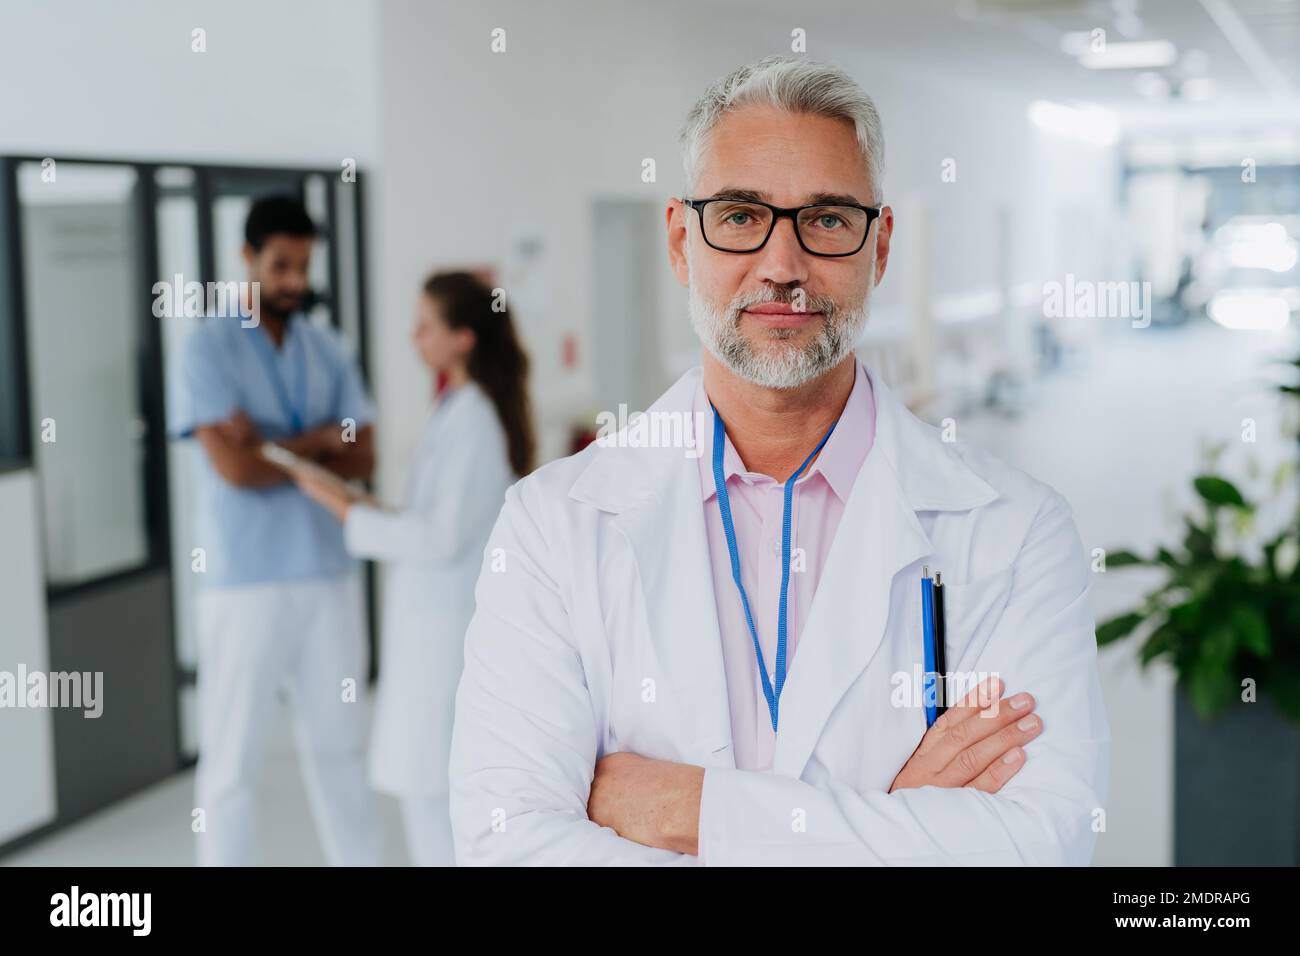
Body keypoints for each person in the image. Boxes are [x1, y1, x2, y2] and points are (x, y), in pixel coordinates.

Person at [448, 56, 1110, 865]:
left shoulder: (1015, 530)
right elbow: (505, 844)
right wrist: (896, 824)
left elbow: (1043, 843)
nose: (782, 266)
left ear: (882, 245)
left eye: (828, 219)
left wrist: (694, 812)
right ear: (680, 241)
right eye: (739, 216)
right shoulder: (553, 527)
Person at [293, 271, 533, 866]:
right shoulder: (457, 408)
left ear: (463, 338)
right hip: (433, 629)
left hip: (445, 637)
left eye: (425, 326)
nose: (413, 337)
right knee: (430, 802)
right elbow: (438, 517)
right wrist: (375, 510)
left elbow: (441, 536)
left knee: (437, 807)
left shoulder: (473, 417)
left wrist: (347, 509)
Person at [171, 195, 382, 866]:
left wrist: (277, 444)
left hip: (326, 573)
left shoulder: (327, 347)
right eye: (281, 265)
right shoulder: (206, 345)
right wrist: (318, 444)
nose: (295, 281)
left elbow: (365, 452)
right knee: (231, 762)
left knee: (342, 748)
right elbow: (232, 469)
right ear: (247, 258)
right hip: (244, 581)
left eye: (303, 265)